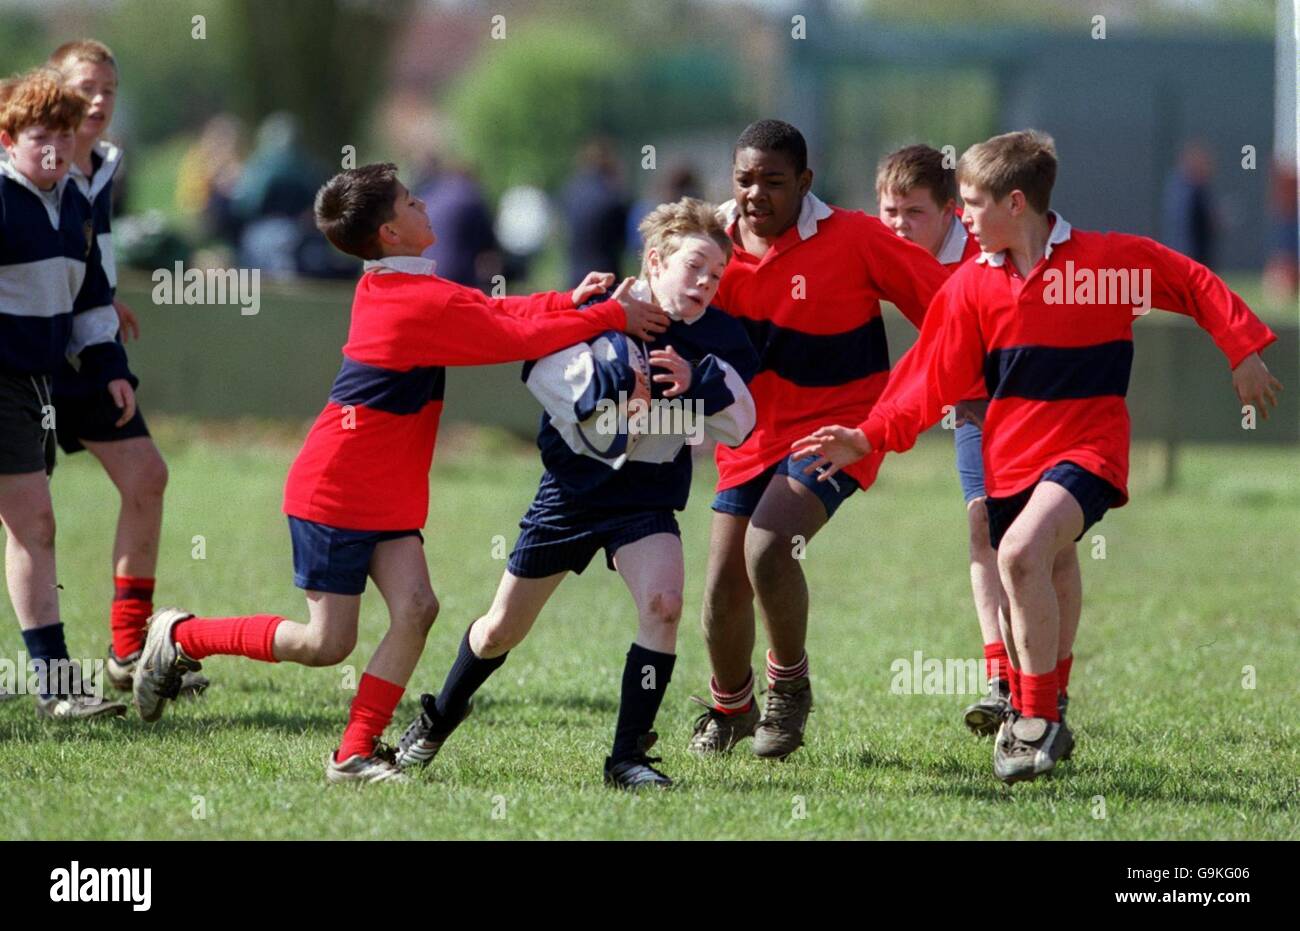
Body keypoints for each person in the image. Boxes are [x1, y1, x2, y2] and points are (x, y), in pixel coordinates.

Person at [131, 162, 669, 784]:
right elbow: (506, 336)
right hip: (335, 488)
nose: (426, 206)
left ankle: (354, 754)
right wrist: (609, 317)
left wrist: (568, 300)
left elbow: (491, 311)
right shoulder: (412, 302)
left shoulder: (412, 287)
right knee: (325, 644)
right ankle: (184, 637)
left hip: (381, 490)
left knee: (416, 607)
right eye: (413, 202)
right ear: (390, 231)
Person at [793, 130, 1282, 784]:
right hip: (1009, 460)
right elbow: (926, 376)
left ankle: (1035, 717)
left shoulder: (1105, 264)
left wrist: (1242, 346)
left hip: (1090, 451)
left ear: (1015, 203)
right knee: (1036, 563)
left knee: (1022, 552)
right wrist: (870, 433)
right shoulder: (970, 288)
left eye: (971, 201)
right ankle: (1037, 713)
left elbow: (1189, 281)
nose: (962, 215)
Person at [393, 197, 758, 789]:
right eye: (694, 267)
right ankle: (437, 719)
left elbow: (740, 424)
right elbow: (544, 373)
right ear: (656, 259)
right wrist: (614, 390)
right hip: (570, 496)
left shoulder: (716, 336)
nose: (705, 284)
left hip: (645, 500)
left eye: (716, 276)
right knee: (499, 630)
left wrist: (700, 383)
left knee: (663, 605)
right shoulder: (599, 307)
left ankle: (628, 758)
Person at [688, 120, 949, 760]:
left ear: (805, 183)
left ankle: (789, 689)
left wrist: (958, 385)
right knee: (723, 589)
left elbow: (951, 310)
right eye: (744, 180)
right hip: (749, 437)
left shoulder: (856, 237)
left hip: (838, 430)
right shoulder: (706, 244)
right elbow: (659, 310)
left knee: (770, 546)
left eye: (773, 182)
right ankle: (731, 707)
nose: (755, 194)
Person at [47, 39, 208, 699]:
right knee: (26, 517)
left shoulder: (108, 164)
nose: (99, 101)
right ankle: (48, 673)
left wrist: (99, 294)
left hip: (87, 347)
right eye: (86, 86)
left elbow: (90, 249)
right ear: (53, 90)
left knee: (147, 475)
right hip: (24, 351)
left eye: (109, 89)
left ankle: (128, 650)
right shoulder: (24, 163)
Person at [0, 67, 132, 719]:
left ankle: (47, 679)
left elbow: (89, 298)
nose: (53, 150)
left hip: (36, 384)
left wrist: (110, 366)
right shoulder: (2, 199)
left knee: (28, 526)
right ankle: (56, 683)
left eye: (64, 136)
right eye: (38, 137)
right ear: (7, 138)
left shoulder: (72, 203)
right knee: (34, 524)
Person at [875, 143, 1015, 734]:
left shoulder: (988, 251)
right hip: (970, 409)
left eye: (914, 213)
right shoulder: (884, 250)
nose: (899, 227)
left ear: (952, 211)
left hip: (1026, 406)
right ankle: (1001, 678)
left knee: (1032, 548)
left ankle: (1043, 687)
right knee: (983, 525)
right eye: (889, 212)